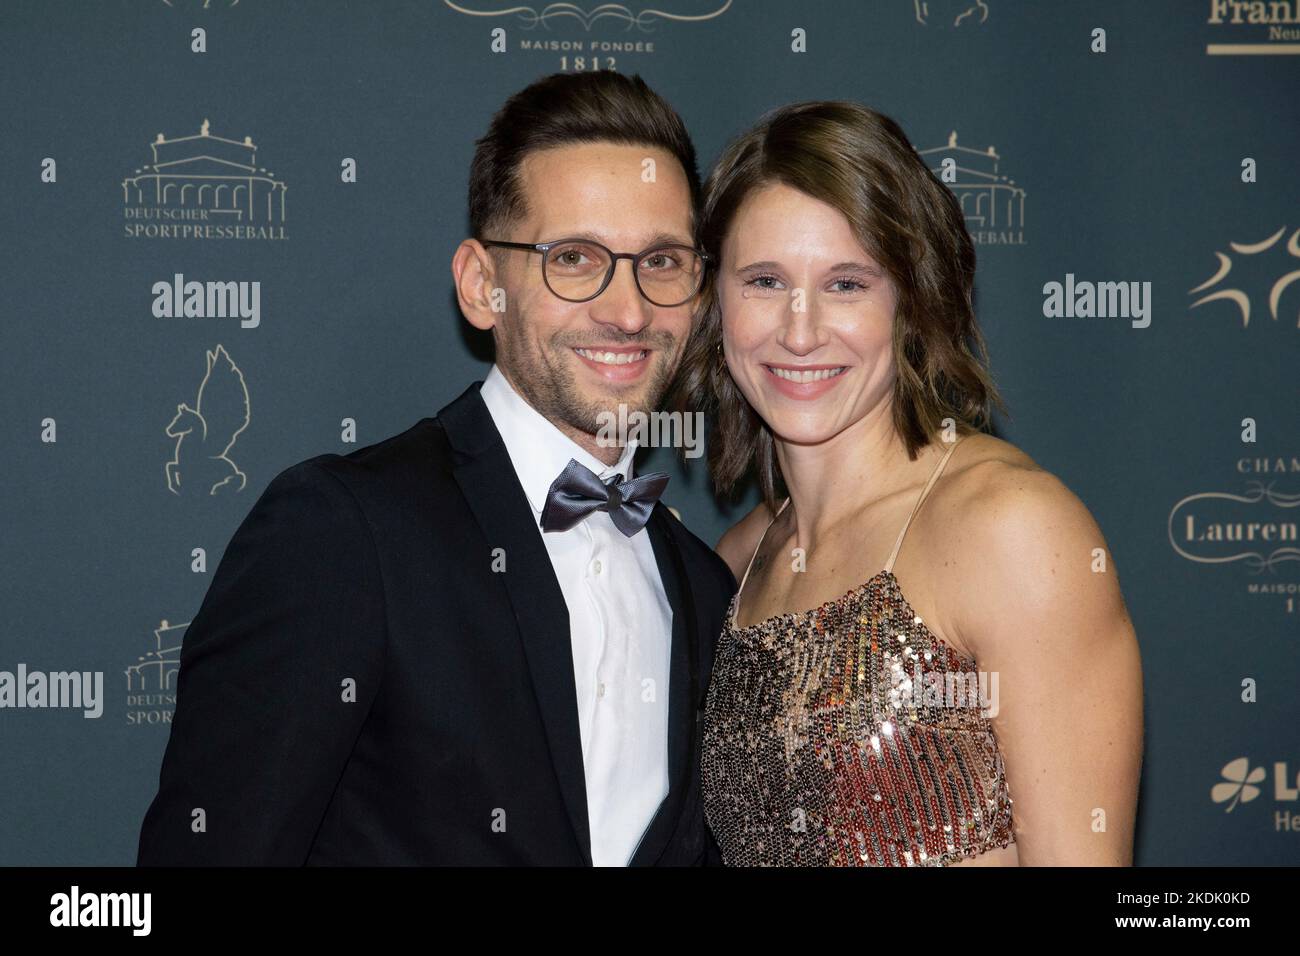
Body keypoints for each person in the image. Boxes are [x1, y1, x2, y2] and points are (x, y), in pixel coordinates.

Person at [137, 71, 735, 866]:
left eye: (659, 261)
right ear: (483, 284)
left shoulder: (705, 588)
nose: (627, 311)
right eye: (575, 258)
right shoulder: (344, 534)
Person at [679, 101, 1144, 866]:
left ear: (910, 300)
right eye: (764, 280)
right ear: (714, 302)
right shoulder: (738, 561)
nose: (799, 330)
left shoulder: (1013, 531)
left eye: (847, 284)